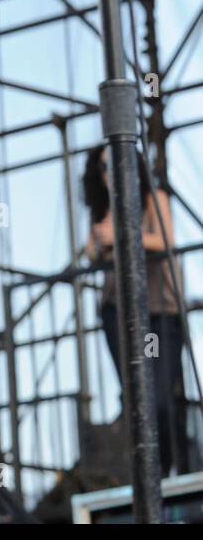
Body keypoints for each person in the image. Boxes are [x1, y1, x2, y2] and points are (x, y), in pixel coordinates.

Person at [82, 145, 188, 475]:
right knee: (135, 395)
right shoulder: (105, 211)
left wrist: (123, 234)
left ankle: (166, 469)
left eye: (113, 164)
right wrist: (104, 238)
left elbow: (165, 240)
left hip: (160, 312)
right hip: (120, 312)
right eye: (102, 168)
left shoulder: (155, 198)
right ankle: (146, 471)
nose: (108, 173)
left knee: (156, 397)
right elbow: (91, 253)